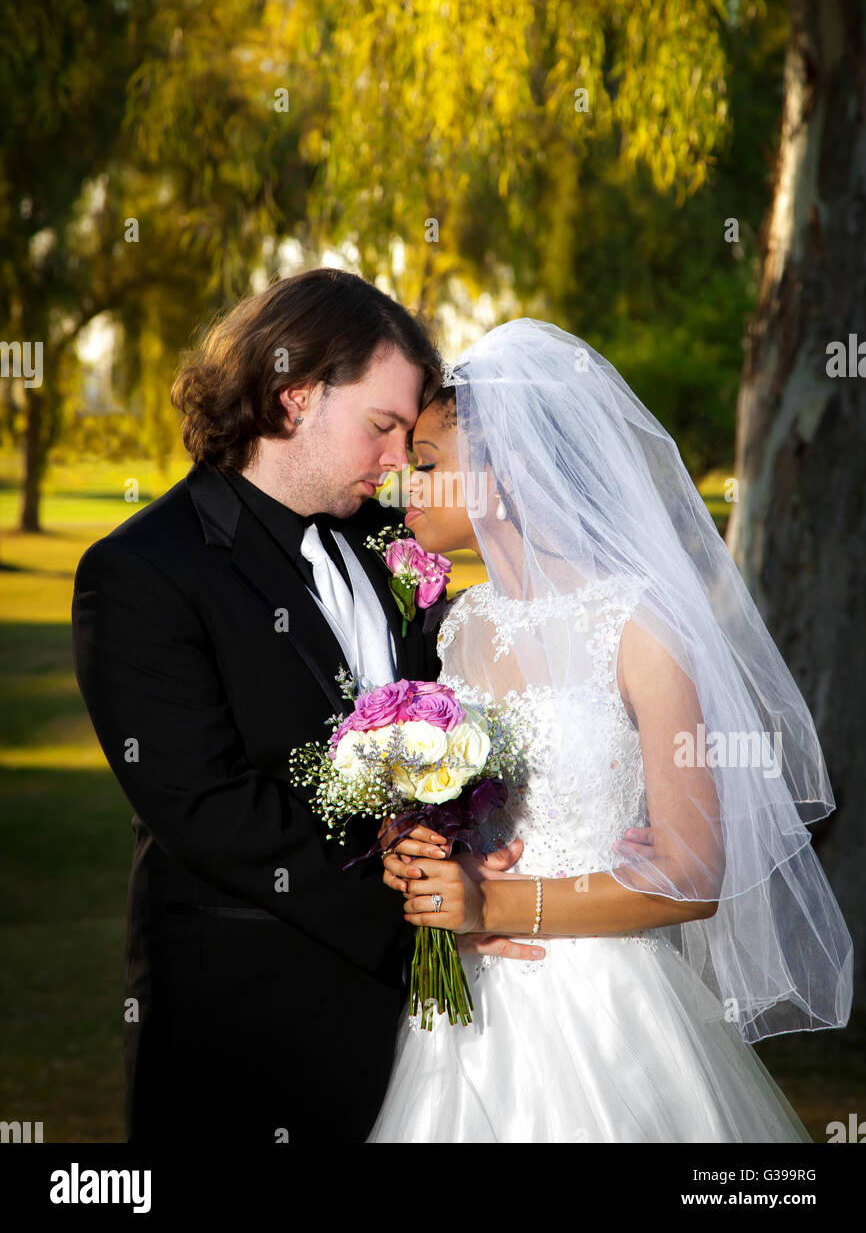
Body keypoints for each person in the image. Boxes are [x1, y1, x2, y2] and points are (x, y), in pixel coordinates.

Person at [70, 267, 533, 1145]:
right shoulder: (142, 572)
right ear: (294, 399)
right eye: (383, 427)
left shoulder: (386, 542)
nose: (401, 461)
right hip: (247, 1028)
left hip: (423, 1042)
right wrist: (425, 909)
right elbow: (206, 810)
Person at [371, 317, 853, 1143]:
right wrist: (411, 842)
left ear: (507, 470)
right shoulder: (461, 625)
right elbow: (454, 803)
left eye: (427, 466)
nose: (403, 489)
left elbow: (695, 878)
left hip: (599, 1010)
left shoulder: (642, 626)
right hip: (469, 1010)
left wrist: (495, 900)